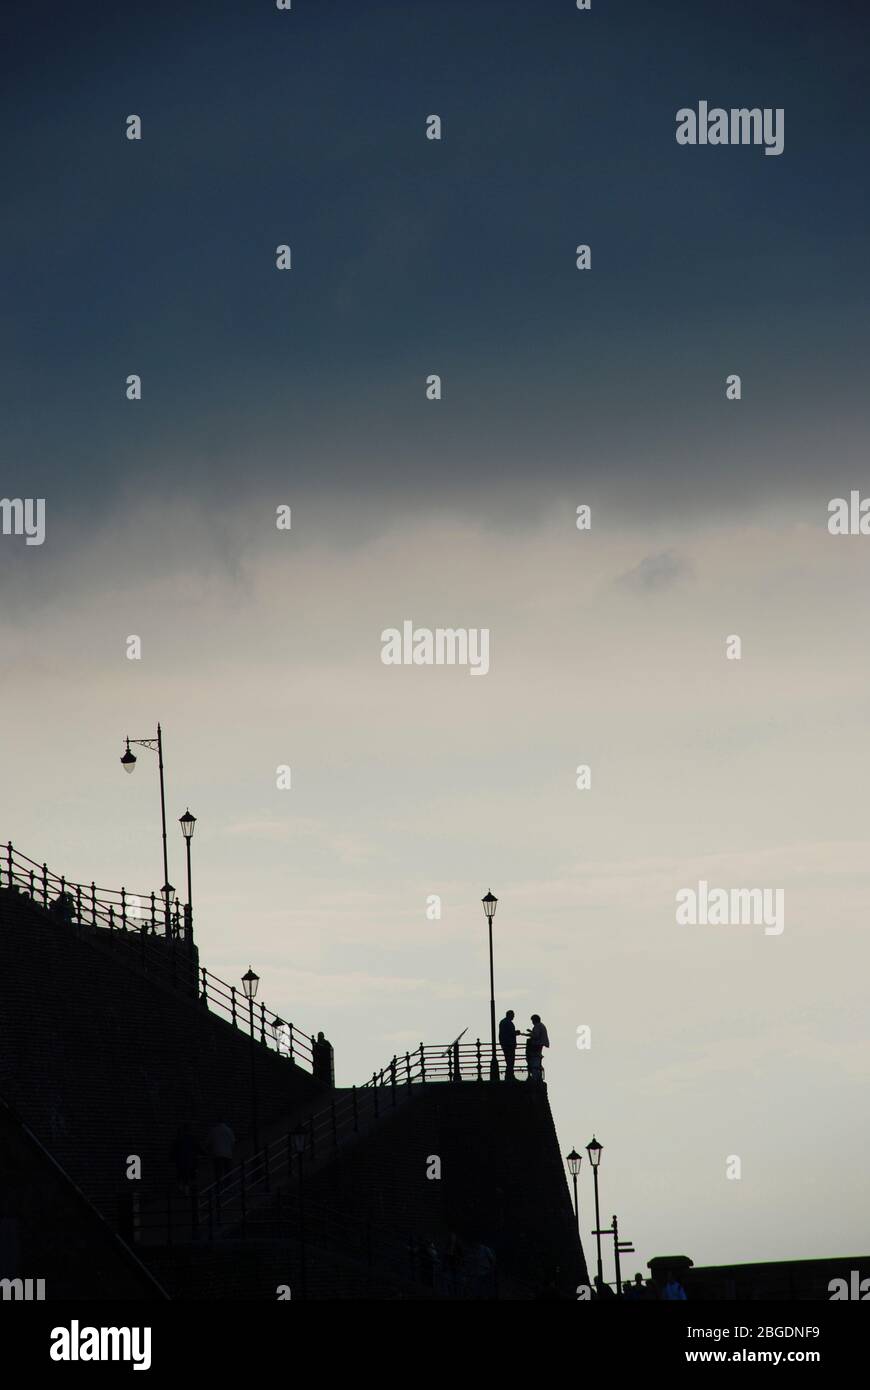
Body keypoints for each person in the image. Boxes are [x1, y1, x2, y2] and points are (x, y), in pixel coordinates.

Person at [170, 1121, 201, 1195]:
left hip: (180, 1161)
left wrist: (172, 1158)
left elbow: (173, 1150)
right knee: (190, 1176)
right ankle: (187, 1190)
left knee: (181, 1175)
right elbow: (198, 1148)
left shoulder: (178, 1139)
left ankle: (182, 1188)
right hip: (191, 1161)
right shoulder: (193, 1138)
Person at [206, 1116, 236, 1191]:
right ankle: (228, 1186)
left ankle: (219, 1186)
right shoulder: (229, 1130)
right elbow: (233, 1141)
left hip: (217, 1154)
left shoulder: (213, 1130)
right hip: (227, 1154)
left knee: (218, 1171)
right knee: (227, 1170)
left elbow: (208, 1143)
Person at [526, 1014, 550, 1082]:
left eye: (532, 1020)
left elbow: (536, 1036)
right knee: (537, 1059)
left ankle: (535, 1076)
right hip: (540, 1045)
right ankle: (537, 1075)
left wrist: (528, 1034)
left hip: (537, 1045)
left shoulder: (537, 1026)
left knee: (534, 1059)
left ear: (534, 1020)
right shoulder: (541, 1025)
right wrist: (531, 1032)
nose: (532, 1022)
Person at [498, 1010, 519, 1080]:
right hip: (509, 1044)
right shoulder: (508, 1023)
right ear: (509, 1015)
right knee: (511, 1060)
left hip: (505, 1044)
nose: (513, 1017)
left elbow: (503, 1034)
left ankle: (509, 1075)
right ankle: (510, 1076)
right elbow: (510, 1033)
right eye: (513, 1015)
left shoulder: (502, 1022)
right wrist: (516, 1032)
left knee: (508, 1060)